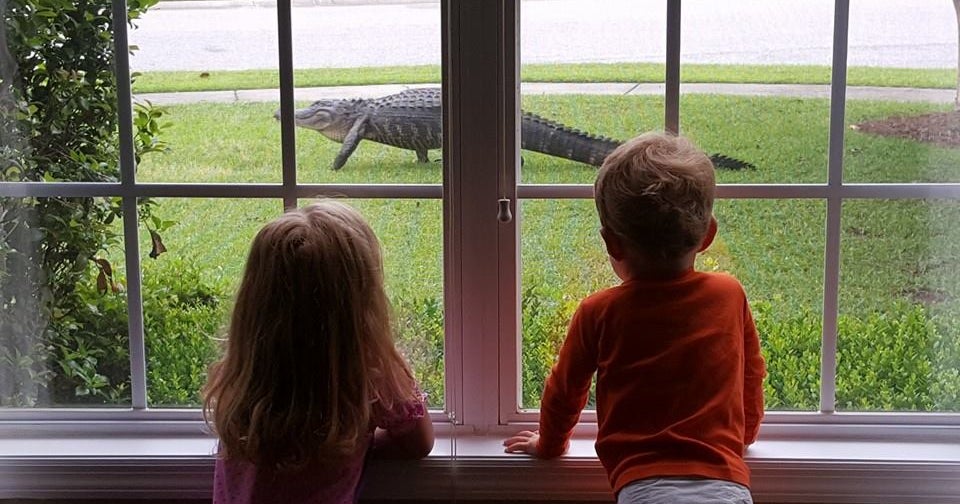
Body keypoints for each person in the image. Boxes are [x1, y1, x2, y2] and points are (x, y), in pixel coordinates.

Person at [503, 132, 766, 504]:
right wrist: (745, 435)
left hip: (645, 488)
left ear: (611, 242)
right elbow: (750, 376)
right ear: (707, 236)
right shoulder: (728, 294)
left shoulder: (599, 311)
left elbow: (565, 392)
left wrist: (548, 445)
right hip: (726, 486)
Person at [203, 200, 434, 504]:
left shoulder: (244, 377)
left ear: (255, 303)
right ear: (360, 302)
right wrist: (356, 442)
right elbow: (419, 442)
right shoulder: (366, 376)